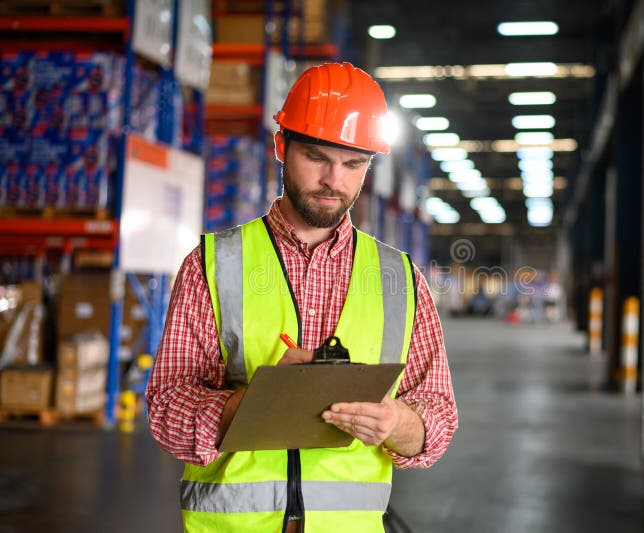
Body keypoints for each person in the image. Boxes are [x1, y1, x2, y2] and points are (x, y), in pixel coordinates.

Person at [145, 62, 458, 533]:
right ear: (280, 146)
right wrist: (260, 399)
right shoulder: (212, 264)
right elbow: (168, 412)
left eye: (354, 164)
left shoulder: (401, 279)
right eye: (317, 157)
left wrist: (394, 421)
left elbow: (436, 424)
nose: (335, 179)